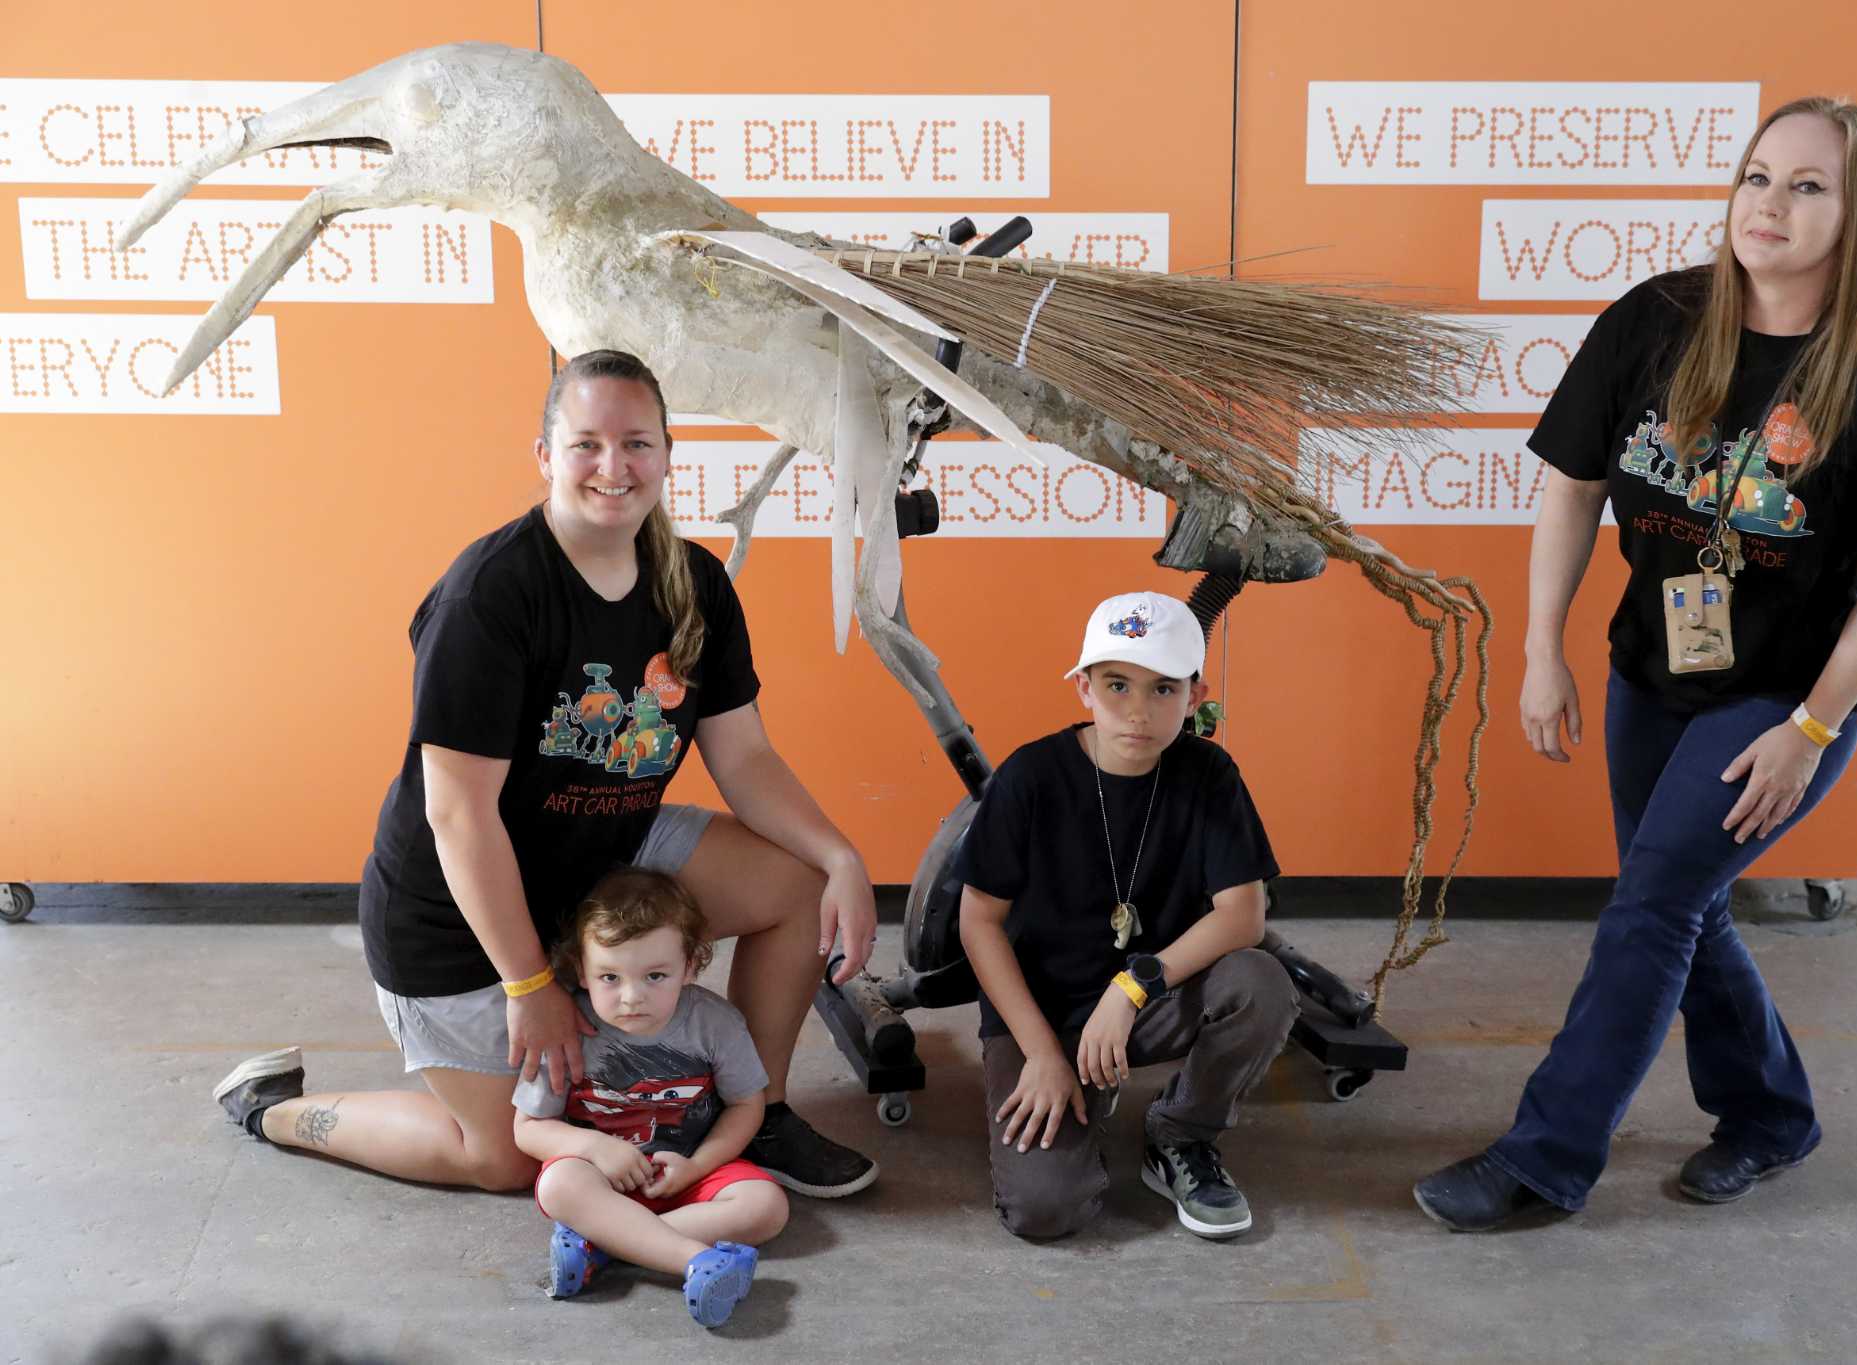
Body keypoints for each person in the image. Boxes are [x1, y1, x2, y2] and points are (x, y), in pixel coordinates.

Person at [1414, 97, 1857, 1230]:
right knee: (1682, 902)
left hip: (1784, 692)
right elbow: (1570, 488)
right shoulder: (1655, 320)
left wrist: (1809, 730)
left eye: (1805, 186)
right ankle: (1769, 1115)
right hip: (1649, 667)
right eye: (1755, 177)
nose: (1766, 205)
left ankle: (1544, 1157)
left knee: (1651, 907)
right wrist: (1540, 655)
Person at [211, 349, 880, 1202]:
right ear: (544, 457)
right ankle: (272, 1107)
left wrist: (842, 857)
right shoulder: (490, 595)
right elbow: (457, 817)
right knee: (506, 1160)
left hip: (601, 862)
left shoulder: (696, 587)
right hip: (457, 918)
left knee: (794, 877)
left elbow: (744, 756)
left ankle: (760, 1109)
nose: (614, 467)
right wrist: (530, 981)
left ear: (669, 454)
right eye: (586, 444)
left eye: (637, 443)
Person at [956, 590, 1299, 1241]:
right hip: (1044, 1012)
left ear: (1195, 696)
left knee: (1260, 982)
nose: (1139, 712)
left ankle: (1180, 1131)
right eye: (1118, 685)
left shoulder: (1209, 774)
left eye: (1163, 689)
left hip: (1147, 999)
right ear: (1083, 688)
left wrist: (1131, 985)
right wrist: (1040, 1052)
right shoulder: (1030, 778)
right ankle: (1075, 1079)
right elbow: (979, 922)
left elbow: (1244, 915)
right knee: (1044, 1210)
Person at [513, 866, 785, 1327]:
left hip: (689, 1174)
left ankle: (603, 1247)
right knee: (559, 1184)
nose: (632, 997)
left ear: (692, 964)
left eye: (656, 975)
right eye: (610, 978)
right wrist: (595, 1148)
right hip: (600, 1182)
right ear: (581, 969)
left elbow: (746, 1105)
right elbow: (528, 1128)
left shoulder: (715, 1024)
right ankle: (690, 1259)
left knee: (768, 1206)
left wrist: (697, 1167)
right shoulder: (566, 1029)